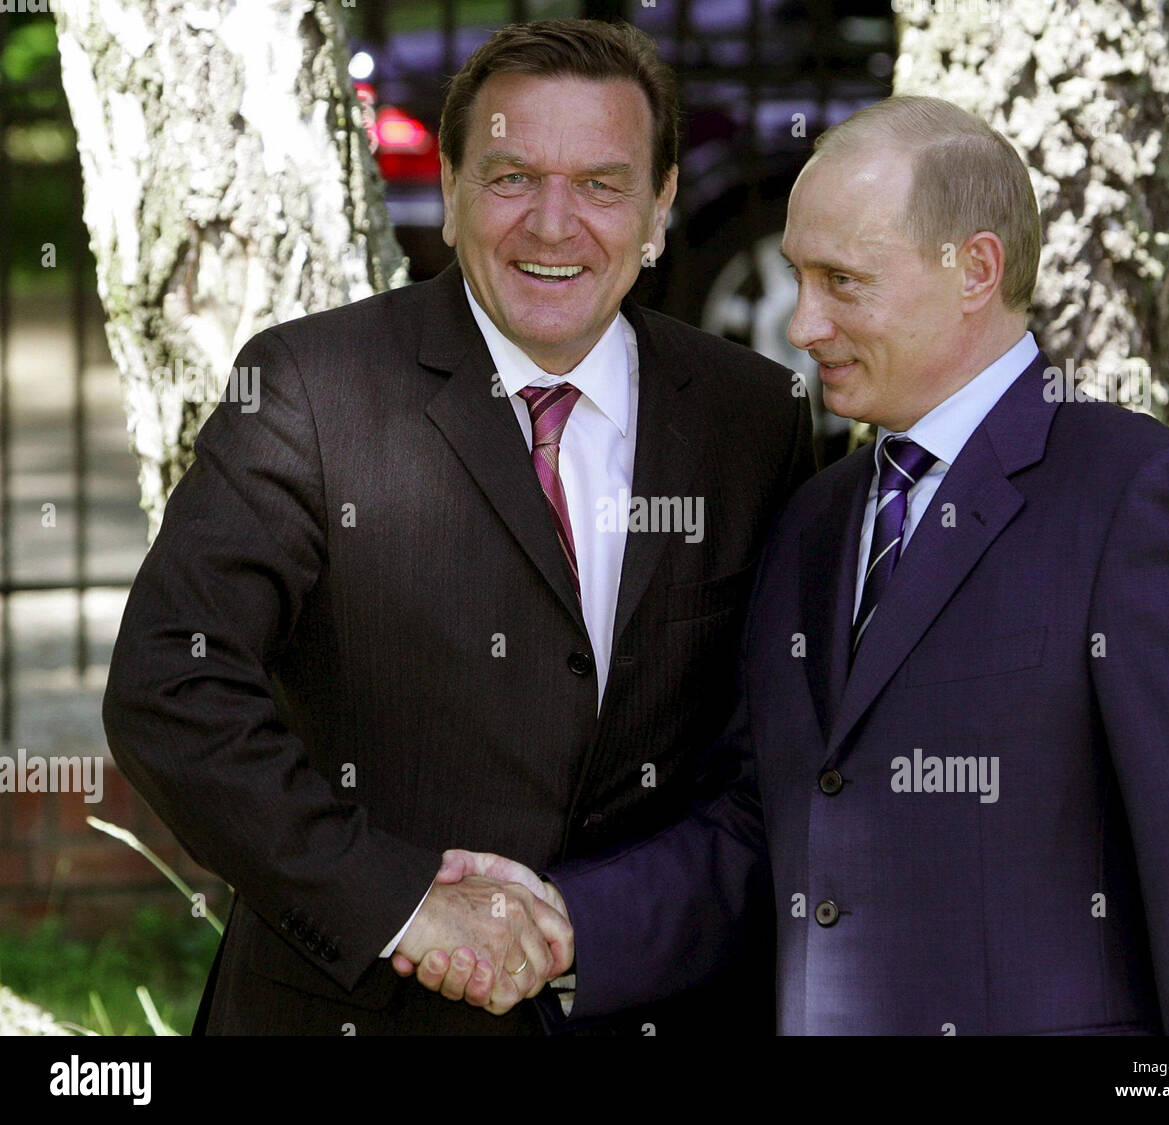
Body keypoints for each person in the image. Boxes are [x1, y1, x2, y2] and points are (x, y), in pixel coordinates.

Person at [426, 96, 1169, 1034]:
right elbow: (773, 830)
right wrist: (565, 923)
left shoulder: (1146, 503)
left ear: (976, 269)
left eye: (843, 281)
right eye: (800, 276)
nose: (801, 324)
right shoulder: (815, 516)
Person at [102, 18, 813, 1035]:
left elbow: (762, 753)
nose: (553, 226)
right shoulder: (310, 389)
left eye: (603, 185)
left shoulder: (749, 418)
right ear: (450, 189)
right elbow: (173, 686)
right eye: (512, 176)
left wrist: (591, 922)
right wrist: (399, 903)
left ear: (659, 209)